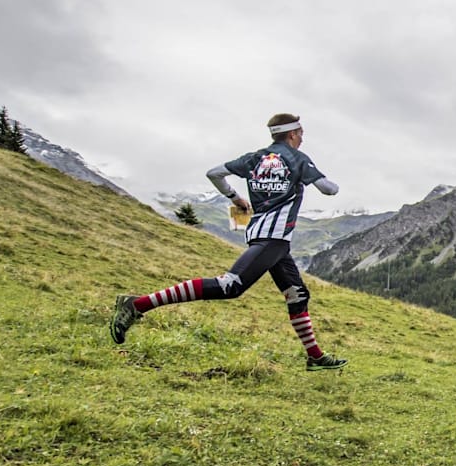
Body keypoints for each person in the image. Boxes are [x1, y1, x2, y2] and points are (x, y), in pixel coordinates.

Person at [109, 113, 348, 370]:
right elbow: (328, 189)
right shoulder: (297, 159)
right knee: (229, 286)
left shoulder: (254, 158)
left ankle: (314, 357)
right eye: (301, 134)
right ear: (292, 134)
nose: (302, 138)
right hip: (272, 239)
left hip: (268, 239)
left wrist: (235, 198)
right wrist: (326, 181)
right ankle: (137, 305)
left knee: (297, 294)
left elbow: (214, 173)